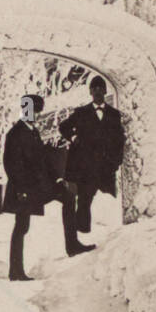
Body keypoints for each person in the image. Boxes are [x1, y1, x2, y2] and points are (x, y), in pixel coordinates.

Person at [2, 94, 65, 281]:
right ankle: (16, 271)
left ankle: (73, 245)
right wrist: (21, 189)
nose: (35, 115)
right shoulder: (15, 133)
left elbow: (42, 159)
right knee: (21, 227)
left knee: (67, 197)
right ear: (24, 111)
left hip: (35, 187)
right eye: (31, 111)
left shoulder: (33, 132)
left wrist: (57, 179)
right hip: (22, 189)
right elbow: (11, 164)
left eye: (37, 111)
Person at [58, 75, 125, 246]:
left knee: (108, 200)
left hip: (105, 168)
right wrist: (73, 137)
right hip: (85, 167)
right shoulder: (81, 113)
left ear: (105, 91)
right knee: (85, 200)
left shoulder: (114, 115)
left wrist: (115, 162)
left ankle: (111, 239)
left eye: (100, 88)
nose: (97, 92)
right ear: (90, 92)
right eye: (94, 89)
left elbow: (119, 140)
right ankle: (84, 234)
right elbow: (63, 127)